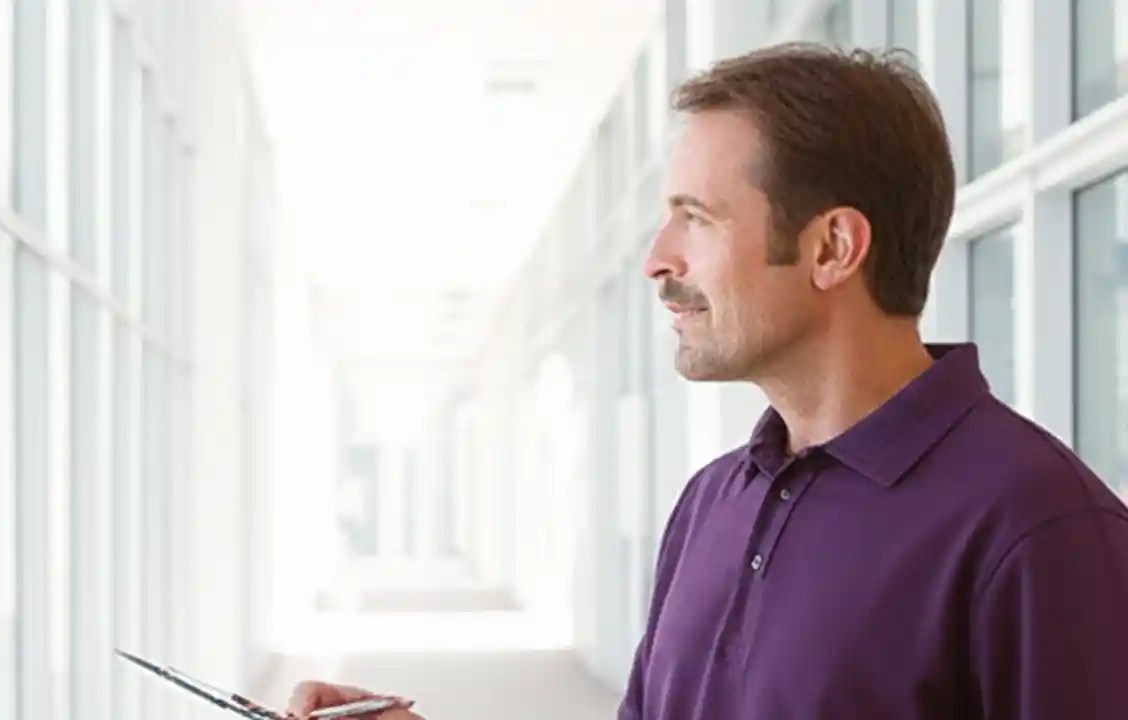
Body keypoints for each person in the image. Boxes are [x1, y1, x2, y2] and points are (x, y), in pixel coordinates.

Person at [286, 42, 1128, 720]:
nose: (657, 259)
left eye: (696, 218)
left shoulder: (1038, 527)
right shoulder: (713, 502)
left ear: (832, 248)